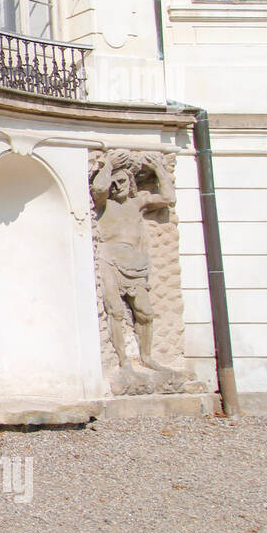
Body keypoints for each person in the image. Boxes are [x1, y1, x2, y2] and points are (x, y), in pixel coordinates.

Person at [91, 150, 175, 372]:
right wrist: (107, 164)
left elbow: (168, 198)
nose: (118, 186)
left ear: (130, 182)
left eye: (122, 181)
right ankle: (123, 361)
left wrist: (159, 170)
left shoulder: (137, 204)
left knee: (146, 312)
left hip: (135, 263)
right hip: (109, 258)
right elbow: (98, 189)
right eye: (114, 183)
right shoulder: (104, 204)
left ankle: (146, 357)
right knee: (115, 311)